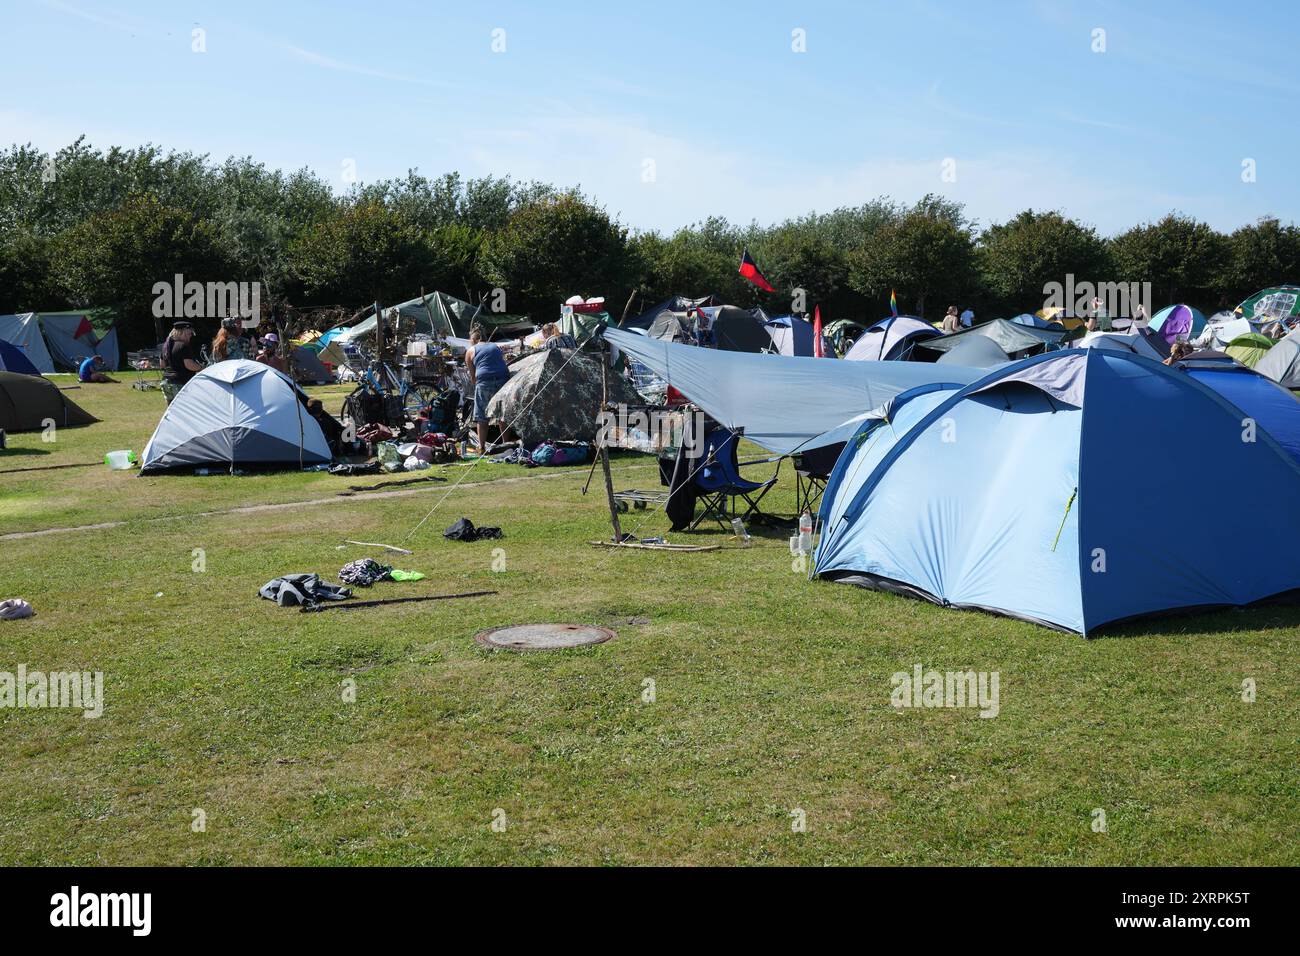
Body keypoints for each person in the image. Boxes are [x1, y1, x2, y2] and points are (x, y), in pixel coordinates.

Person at [465, 326, 509, 452]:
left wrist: (476, 386)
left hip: (485, 380)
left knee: (482, 415)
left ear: (473, 339)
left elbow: (473, 378)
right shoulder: (494, 346)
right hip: (503, 378)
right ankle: (506, 444)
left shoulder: (470, 351)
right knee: (502, 414)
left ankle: (482, 446)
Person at [162, 322, 203, 401]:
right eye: (189, 334)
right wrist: (201, 368)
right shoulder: (183, 346)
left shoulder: (166, 346)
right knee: (185, 409)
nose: (190, 336)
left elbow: (162, 364)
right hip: (181, 382)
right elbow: (189, 365)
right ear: (183, 333)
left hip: (167, 382)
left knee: (172, 408)